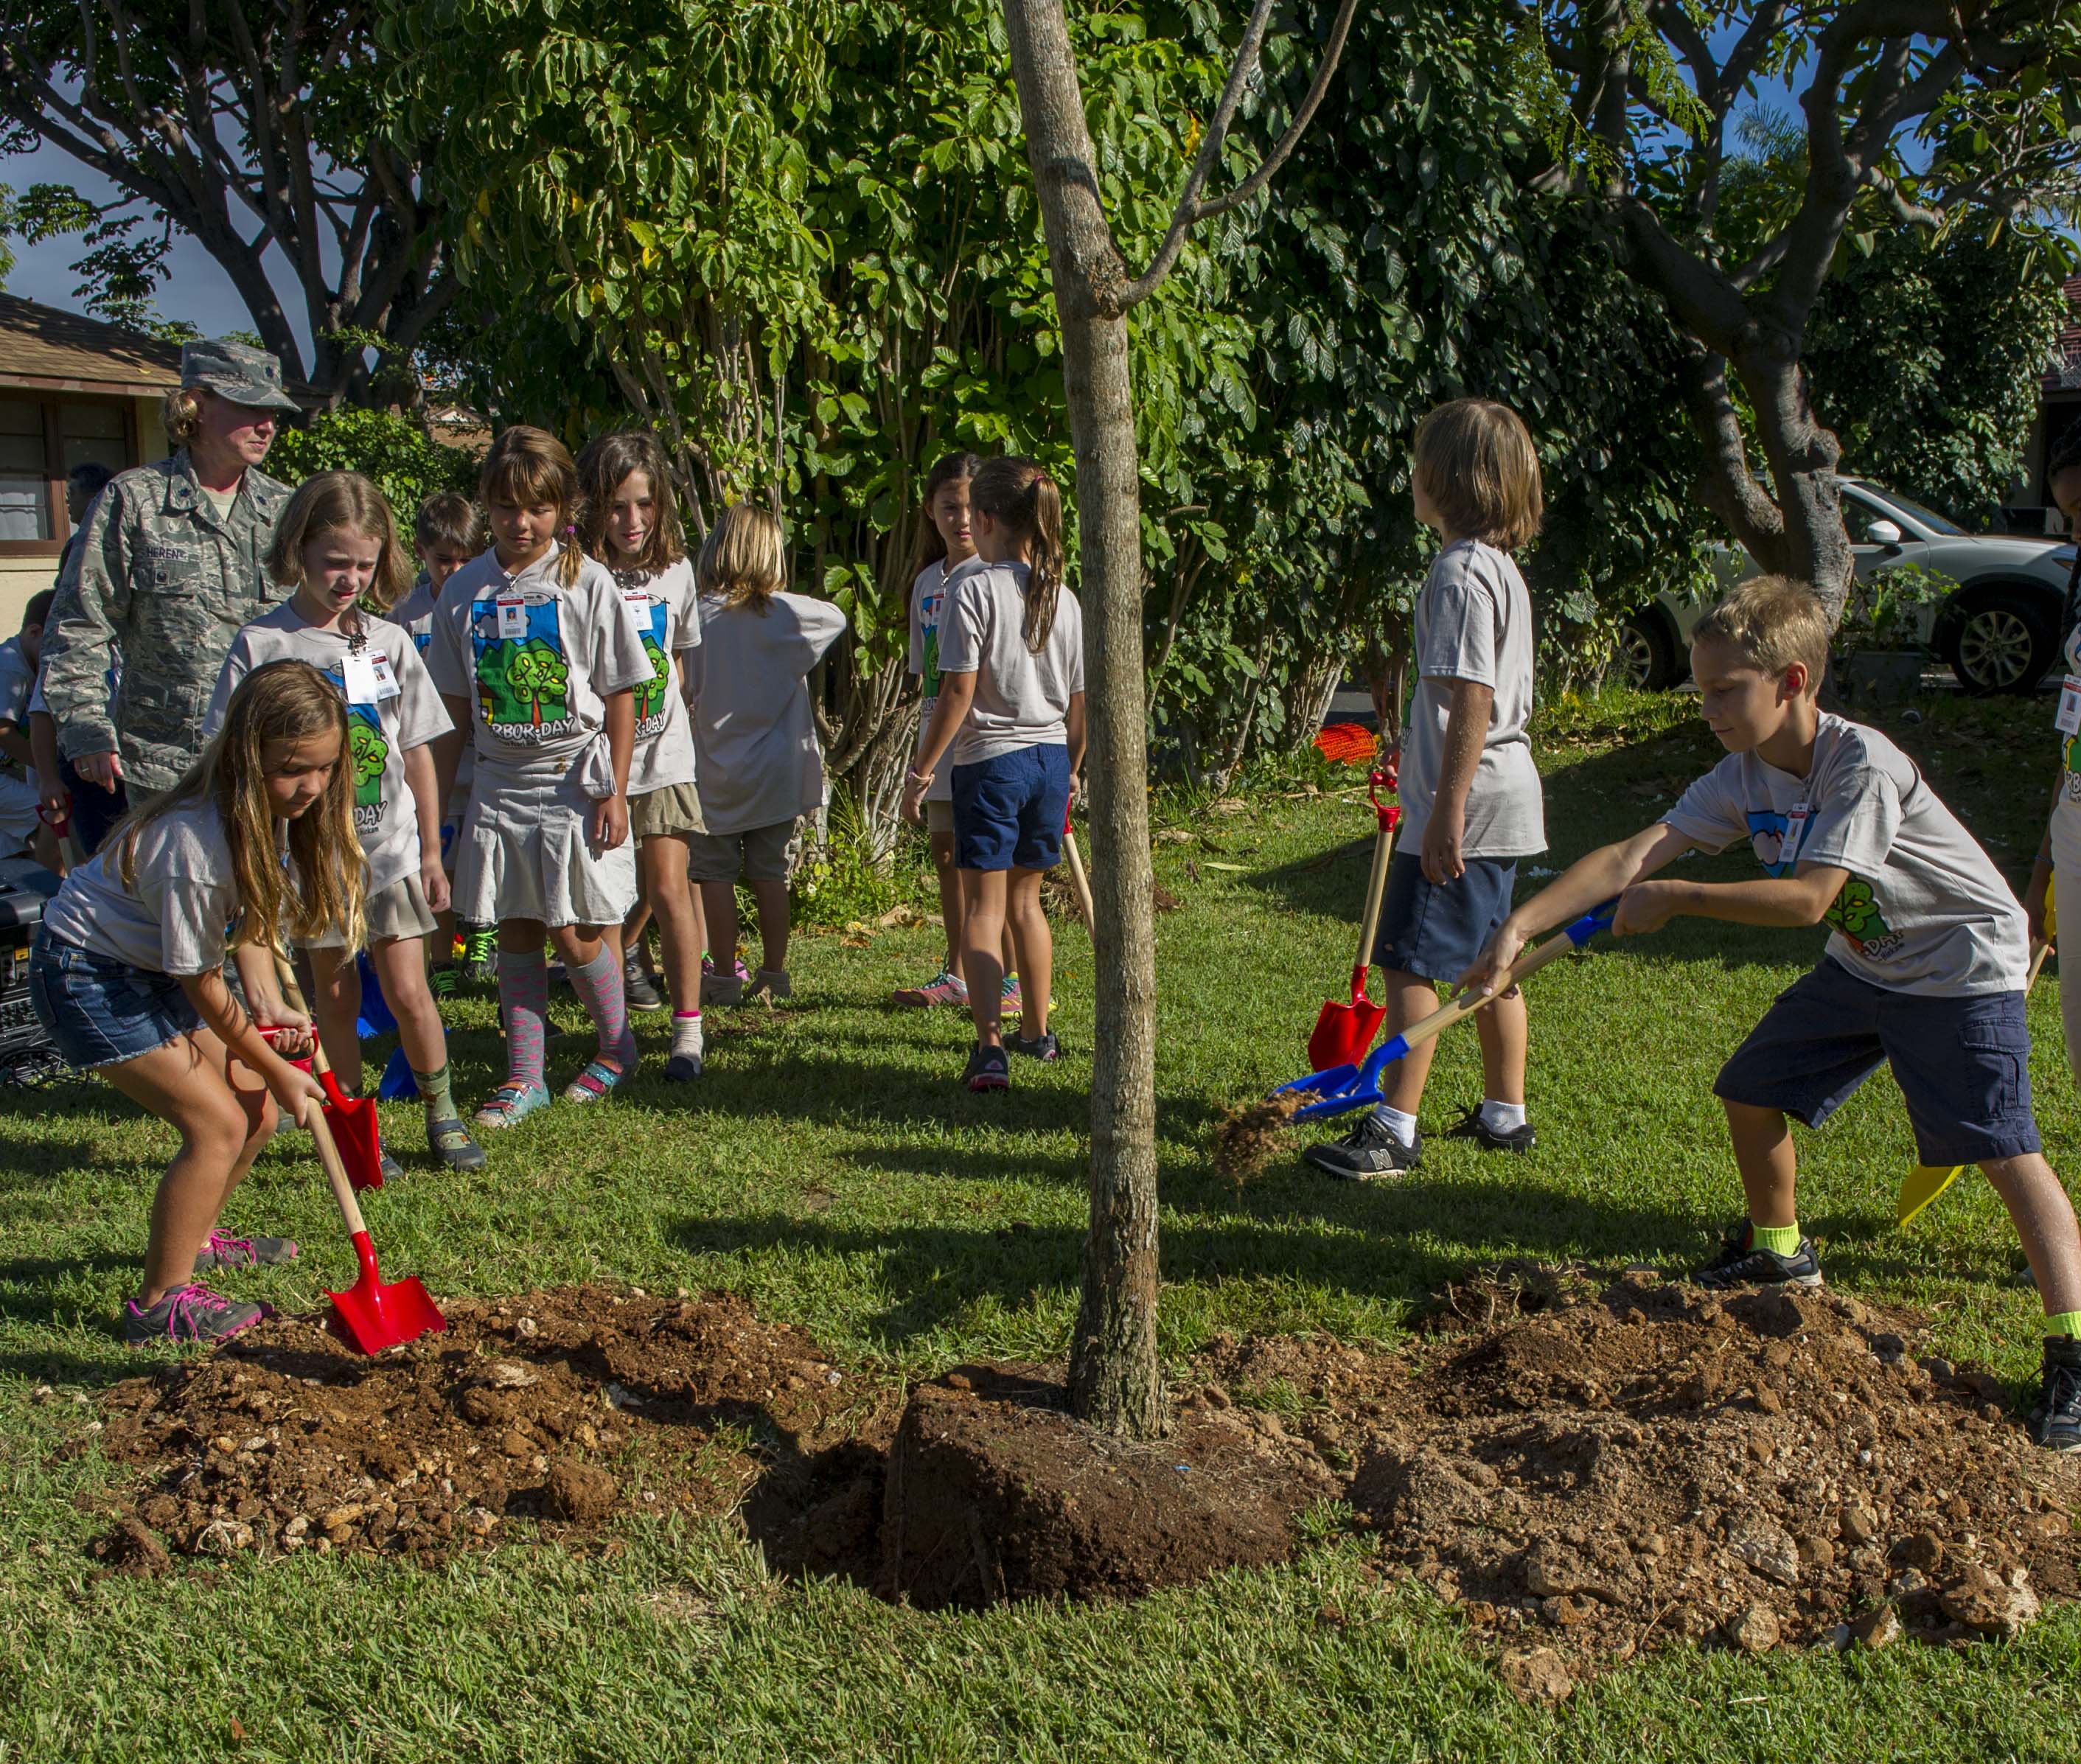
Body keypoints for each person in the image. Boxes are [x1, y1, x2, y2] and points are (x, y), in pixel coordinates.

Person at [1463, 576, 2081, 1452]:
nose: (1706, 707)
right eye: (1702, 689)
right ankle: (1781, 1252)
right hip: (1869, 960)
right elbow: (1634, 853)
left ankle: (2073, 1349)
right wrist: (1518, 926)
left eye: (1724, 690)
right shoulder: (1744, 774)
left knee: (2001, 1147)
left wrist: (1680, 896)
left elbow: (1808, 898)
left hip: (1960, 967)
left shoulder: (1861, 766)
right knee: (1752, 1087)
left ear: (1792, 681)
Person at [26, 660, 352, 1344]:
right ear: (246, 756)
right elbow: (199, 980)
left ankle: (195, 1240)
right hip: (89, 974)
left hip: (148, 967)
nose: (314, 786)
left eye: (326, 767)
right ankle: (158, 1304)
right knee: (217, 1125)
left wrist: (267, 1003)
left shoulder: (266, 811)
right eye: (294, 769)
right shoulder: (194, 847)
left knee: (255, 1112)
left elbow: (250, 920)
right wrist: (276, 1064)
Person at [209, 471, 484, 1175]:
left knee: (410, 989)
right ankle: (354, 1120)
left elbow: (416, 750)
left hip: (389, 852)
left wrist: (430, 851)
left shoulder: (389, 640)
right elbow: (230, 759)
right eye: (336, 562)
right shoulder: (263, 644)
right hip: (309, 862)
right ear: (298, 547)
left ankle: (441, 1110)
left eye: (365, 565)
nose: (350, 580)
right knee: (334, 993)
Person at [1303, 399, 1547, 1178]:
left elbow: (1473, 696)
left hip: (1467, 805)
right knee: (1491, 960)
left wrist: (1446, 809)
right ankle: (1505, 1114)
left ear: (1446, 478)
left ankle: (1393, 1129)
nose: (1411, 476)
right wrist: (1415, 746)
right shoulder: (1498, 569)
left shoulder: (1460, 571)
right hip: (1503, 792)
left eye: (1419, 463)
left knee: (1408, 961)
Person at [423, 427, 653, 1125]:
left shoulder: (588, 580)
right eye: (505, 507)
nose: (521, 523)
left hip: (572, 782)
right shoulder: (464, 589)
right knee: (514, 929)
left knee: (575, 933)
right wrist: (432, 815)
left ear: (564, 507)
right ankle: (526, 1075)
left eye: (538, 508)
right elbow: (450, 710)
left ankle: (617, 1048)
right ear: (486, 506)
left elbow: (622, 691)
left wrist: (615, 790)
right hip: (498, 786)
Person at [39, 338, 299, 856]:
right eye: (250, 408)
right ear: (195, 405)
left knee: (269, 902)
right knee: (173, 901)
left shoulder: (285, 508)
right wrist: (86, 729)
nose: (267, 425)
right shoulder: (134, 501)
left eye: (272, 412)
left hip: (272, 763)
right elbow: (78, 624)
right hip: (167, 768)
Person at [902, 456, 1084, 1092]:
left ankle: (989, 1047)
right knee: (1027, 904)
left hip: (991, 762)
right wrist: (1072, 770)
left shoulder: (971, 589)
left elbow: (957, 690)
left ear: (983, 519)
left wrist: (921, 770)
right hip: (1050, 761)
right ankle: (1038, 1031)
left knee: (984, 907)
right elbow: (1079, 705)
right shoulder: (1063, 596)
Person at [576, 431, 707, 1081]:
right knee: (603, 900)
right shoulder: (576, 572)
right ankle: (615, 1037)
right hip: (598, 761)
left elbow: (681, 659)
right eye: (618, 505)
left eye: (645, 504)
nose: (633, 520)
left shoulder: (677, 569)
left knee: (668, 887)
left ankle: (688, 1033)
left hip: (664, 756)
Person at [685, 503, 846, 1005]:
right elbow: (836, 616)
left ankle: (722, 976)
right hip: (776, 769)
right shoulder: (784, 616)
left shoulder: (696, 615)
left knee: (714, 875)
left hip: (713, 767)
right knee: (770, 872)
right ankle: (774, 972)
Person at [890, 450, 1021, 1019]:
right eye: (948, 507)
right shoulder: (926, 581)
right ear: (930, 510)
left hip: (984, 740)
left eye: (969, 507)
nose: (960, 519)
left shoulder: (995, 575)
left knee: (989, 863)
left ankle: (1009, 976)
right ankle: (958, 973)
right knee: (946, 854)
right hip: (937, 738)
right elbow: (929, 679)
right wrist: (922, 756)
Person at [392, 490, 489, 986]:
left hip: (483, 753)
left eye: (465, 560)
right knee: (441, 862)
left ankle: (483, 939)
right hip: (432, 761)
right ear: (421, 552)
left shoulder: (485, 603)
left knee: (485, 860)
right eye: (443, 559)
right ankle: (443, 961)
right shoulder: (405, 616)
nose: (454, 571)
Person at [0, 589, 55, 862]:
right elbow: (3, 732)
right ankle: (54, 886)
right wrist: (49, 771)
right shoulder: (10, 666)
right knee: (53, 815)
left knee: (17, 854)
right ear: (35, 632)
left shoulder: (28, 664)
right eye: (55, 643)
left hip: (8, 774)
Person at [56, 461, 115, 576]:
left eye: (71, 494)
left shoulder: (123, 541)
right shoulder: (74, 543)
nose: (67, 501)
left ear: (94, 498)